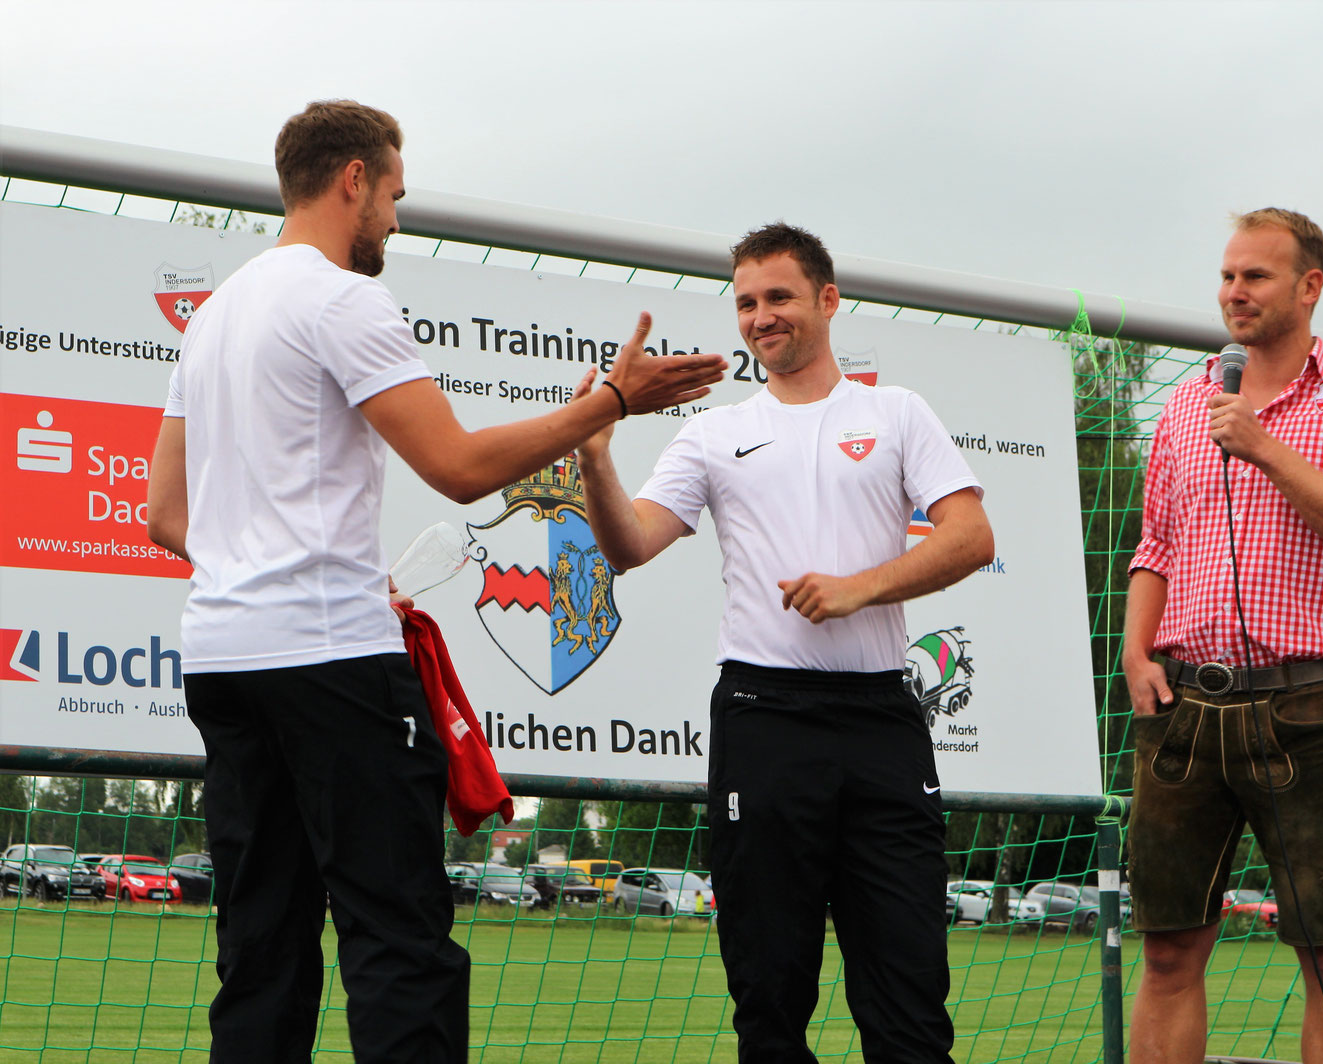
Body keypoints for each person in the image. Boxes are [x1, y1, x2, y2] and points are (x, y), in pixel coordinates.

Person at [144, 99, 723, 1063]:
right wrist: (612, 404)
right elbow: (455, 466)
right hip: (330, 660)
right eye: (397, 197)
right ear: (354, 181)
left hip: (223, 659)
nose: (398, 223)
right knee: (399, 940)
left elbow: (165, 516)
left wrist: (268, 563)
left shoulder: (210, 321)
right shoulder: (340, 297)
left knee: (260, 948)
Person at [572, 222, 994, 1063]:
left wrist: (858, 587)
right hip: (764, 718)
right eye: (746, 303)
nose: (761, 317)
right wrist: (594, 452)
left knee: (909, 1003)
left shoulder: (896, 412)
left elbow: (972, 536)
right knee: (769, 1001)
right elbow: (629, 545)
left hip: (881, 721)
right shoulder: (712, 433)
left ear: (828, 301)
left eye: (779, 297)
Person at [1122, 207, 1323, 1063]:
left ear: (1309, 286)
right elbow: (1156, 543)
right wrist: (1136, 655)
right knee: (1170, 948)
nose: (1234, 292)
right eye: (1226, 275)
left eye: (1254, 275)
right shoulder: (1189, 398)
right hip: (1185, 703)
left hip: (1305, 702)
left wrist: (1263, 447)